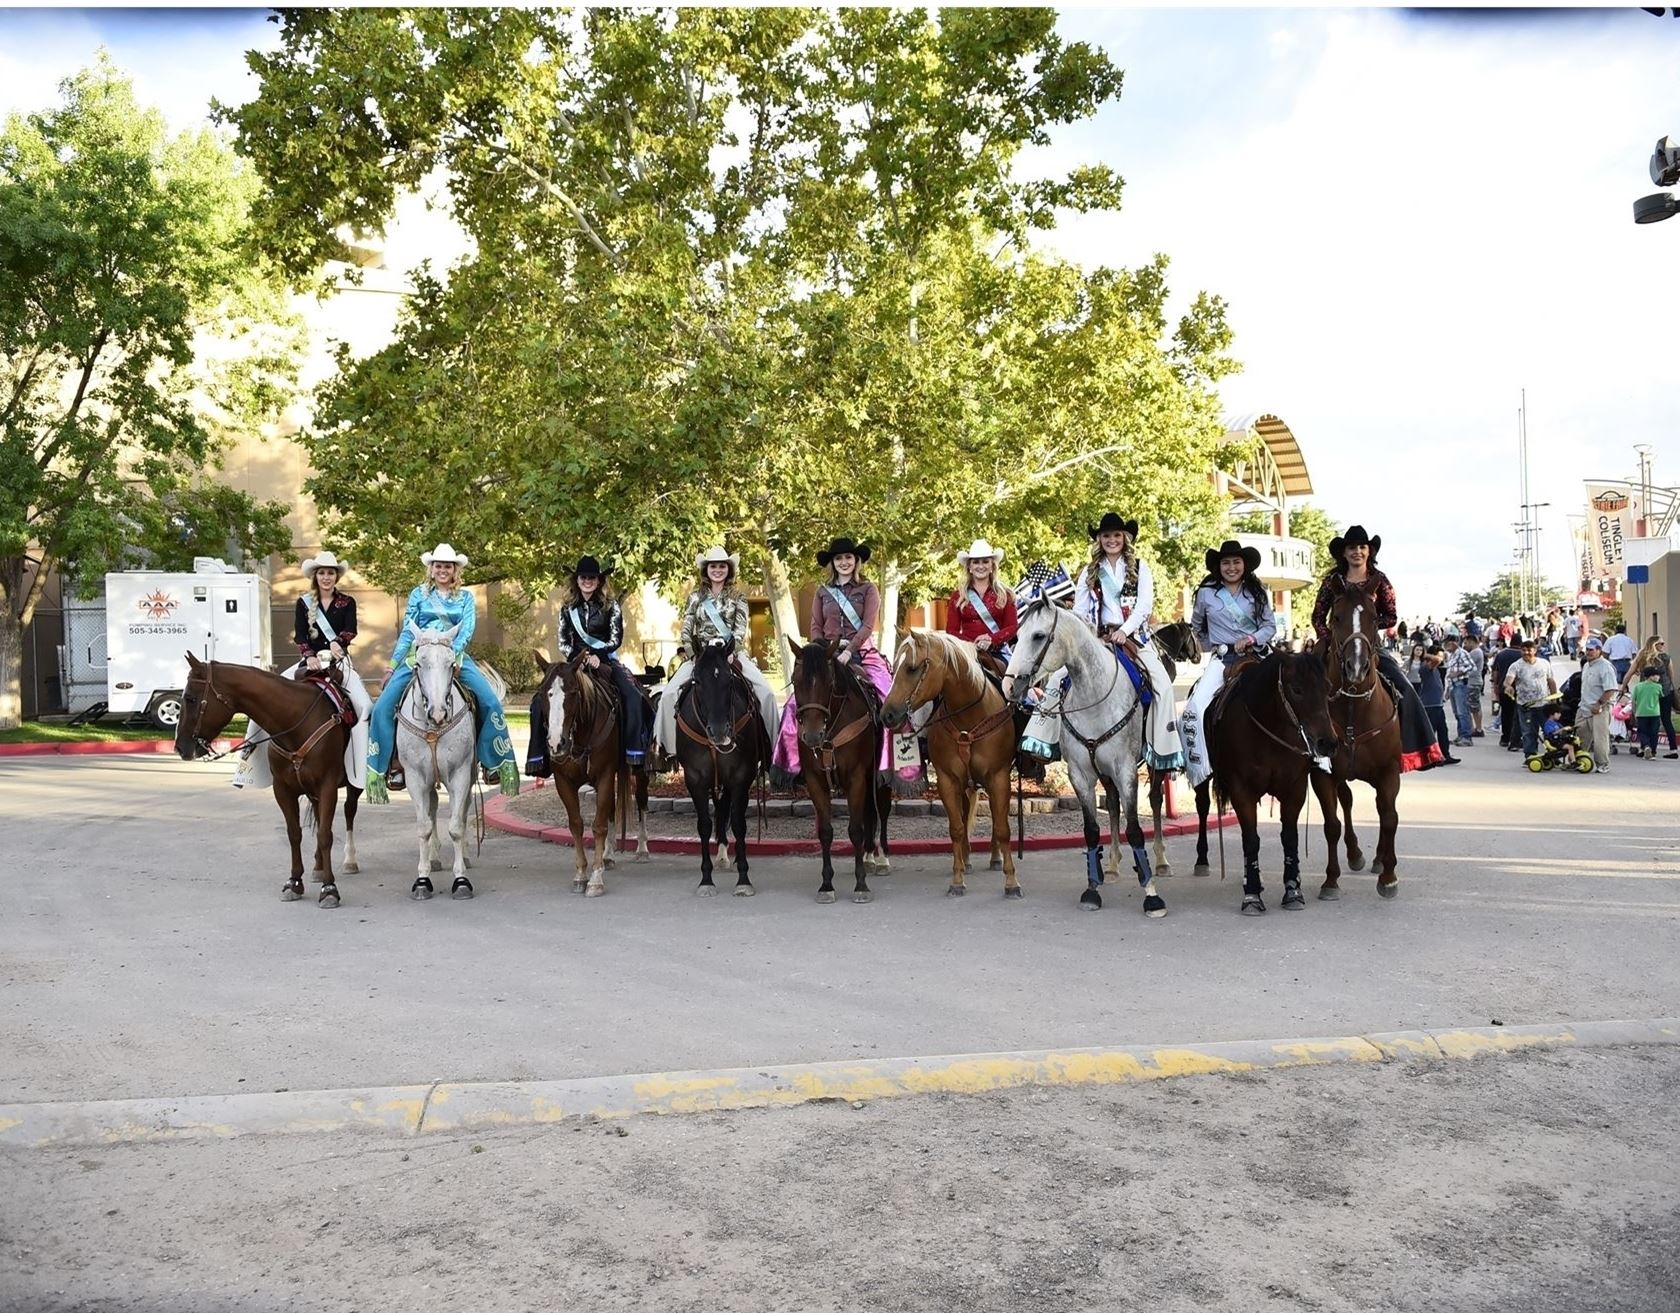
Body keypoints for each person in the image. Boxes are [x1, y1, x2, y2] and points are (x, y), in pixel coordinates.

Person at [366, 543, 518, 801]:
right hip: (419, 656)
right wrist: (391, 666)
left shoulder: (466, 598)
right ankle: (389, 768)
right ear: (431, 569)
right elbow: (407, 632)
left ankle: (492, 763)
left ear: (455, 570)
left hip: (453, 656)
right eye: (438, 566)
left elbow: (467, 630)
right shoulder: (418, 594)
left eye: (447, 566)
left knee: (490, 700)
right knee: (382, 708)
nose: (442, 570)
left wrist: (453, 655)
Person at [232, 550, 371, 791]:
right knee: (265, 696)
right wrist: (308, 656)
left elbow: (350, 630)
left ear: (336, 577)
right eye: (322, 573)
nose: (326, 577)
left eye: (330, 573)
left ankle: (361, 770)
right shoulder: (303, 602)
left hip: (339, 662)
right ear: (315, 576)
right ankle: (246, 764)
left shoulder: (347, 602)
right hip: (308, 663)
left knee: (365, 705)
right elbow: (300, 635)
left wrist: (339, 642)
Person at [1309, 524, 1444, 770]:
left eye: (1362, 547)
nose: (1357, 552)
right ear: (1344, 553)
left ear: (1369, 551)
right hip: (1335, 642)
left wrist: (1363, 628)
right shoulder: (1332, 581)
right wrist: (1331, 635)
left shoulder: (1379, 581)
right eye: (1352, 547)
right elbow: (1318, 616)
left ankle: (1416, 749)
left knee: (1404, 687)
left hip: (1370, 643)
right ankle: (1304, 752)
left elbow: (1391, 616)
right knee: (1303, 686)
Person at [772, 536, 894, 781]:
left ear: (856, 561)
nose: (844, 562)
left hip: (861, 652)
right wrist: (819, 652)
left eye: (848, 557)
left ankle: (891, 765)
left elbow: (869, 625)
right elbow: (816, 626)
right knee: (794, 705)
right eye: (839, 558)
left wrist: (850, 650)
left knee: (889, 699)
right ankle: (791, 766)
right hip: (826, 654)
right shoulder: (822, 592)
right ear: (833, 563)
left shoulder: (868, 590)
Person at [1073, 512, 1184, 771]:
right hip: (1097, 638)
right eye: (1106, 535)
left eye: (1116, 535)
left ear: (1125, 538)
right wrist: (1089, 634)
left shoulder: (1140, 567)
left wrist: (1124, 630)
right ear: (1099, 540)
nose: (1111, 540)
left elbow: (1144, 606)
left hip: (1133, 637)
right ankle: (1048, 742)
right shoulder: (1089, 572)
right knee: (1060, 680)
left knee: (1163, 686)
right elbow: (1079, 609)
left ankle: (1163, 750)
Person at [524, 555, 652, 776]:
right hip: (574, 663)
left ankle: (634, 752)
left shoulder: (611, 606)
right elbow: (563, 641)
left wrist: (598, 656)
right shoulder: (567, 608)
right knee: (539, 700)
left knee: (632, 694)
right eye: (584, 577)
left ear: (599, 580)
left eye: (592, 577)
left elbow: (616, 637)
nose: (588, 581)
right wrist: (580, 658)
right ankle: (538, 758)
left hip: (605, 660)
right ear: (577, 579)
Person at [653, 546, 779, 760]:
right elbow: (687, 629)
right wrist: (694, 654)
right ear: (706, 570)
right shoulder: (695, 597)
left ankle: (773, 754)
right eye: (713, 566)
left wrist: (732, 651)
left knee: (766, 694)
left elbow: (740, 630)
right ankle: (668, 752)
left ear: (729, 570)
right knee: (667, 696)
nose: (718, 570)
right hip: (702, 655)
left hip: (730, 653)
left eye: (722, 566)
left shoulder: (738, 597)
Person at [1179, 540, 1276, 788]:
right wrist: (1214, 645)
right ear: (1218, 566)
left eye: (1236, 562)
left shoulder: (1257, 591)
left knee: (1294, 697)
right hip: (1222, 659)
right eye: (1226, 563)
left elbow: (1269, 626)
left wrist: (1252, 638)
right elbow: (1198, 626)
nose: (1231, 567)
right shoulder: (1206, 593)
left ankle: (1315, 759)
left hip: (1257, 656)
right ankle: (1200, 768)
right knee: (1193, 711)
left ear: (1244, 565)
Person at [1014, 562, 1077, 761]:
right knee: (1057, 678)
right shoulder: (1087, 579)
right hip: (1089, 641)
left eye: (1071, 599)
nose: (1070, 603)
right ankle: (1041, 739)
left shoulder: (1137, 571)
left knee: (1159, 682)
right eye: (1067, 600)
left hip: (1129, 638)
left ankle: (1162, 741)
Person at [944, 539, 1018, 669]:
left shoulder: (1006, 595)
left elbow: (1012, 627)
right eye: (976, 562)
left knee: (1013, 682)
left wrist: (991, 639)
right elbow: (951, 630)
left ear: (992, 566)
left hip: (997, 652)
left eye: (985, 561)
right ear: (969, 567)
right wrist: (972, 644)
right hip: (966, 653)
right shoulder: (958, 596)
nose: (981, 566)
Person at [1502, 637, 1558, 761]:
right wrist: (1508, 687)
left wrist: (1554, 699)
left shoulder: (1544, 663)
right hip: (1525, 705)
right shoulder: (1516, 666)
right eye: (1523, 650)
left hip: (1543, 704)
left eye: (1529, 650)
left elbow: (1551, 681)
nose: (1526, 652)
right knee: (1528, 732)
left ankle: (1554, 756)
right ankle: (1531, 756)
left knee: (1550, 730)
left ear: (1535, 650)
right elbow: (1508, 681)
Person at [1574, 637, 1617, 773]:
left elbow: (1610, 689)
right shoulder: (1586, 665)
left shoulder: (1605, 667)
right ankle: (1580, 761)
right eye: (1587, 649)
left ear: (1599, 651)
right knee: (1580, 735)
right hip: (1584, 706)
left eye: (1591, 650)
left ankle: (1602, 764)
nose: (1588, 652)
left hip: (1600, 708)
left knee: (1600, 738)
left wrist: (1598, 703)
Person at [1441, 633, 1477, 747]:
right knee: (1457, 713)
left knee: (1462, 712)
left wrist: (1459, 673)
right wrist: (1447, 690)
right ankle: (1461, 735)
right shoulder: (1452, 655)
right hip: (1453, 685)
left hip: (1460, 684)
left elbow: (1471, 666)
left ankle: (1466, 737)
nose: (1446, 646)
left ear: (1453, 643)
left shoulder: (1462, 653)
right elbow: (1449, 673)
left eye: (1447, 643)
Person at [1490, 632, 1524, 751]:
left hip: (1504, 687)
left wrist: (1495, 686)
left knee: (1506, 714)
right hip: (1520, 689)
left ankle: (1505, 738)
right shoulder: (1523, 655)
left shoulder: (1501, 654)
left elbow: (1495, 672)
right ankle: (1517, 739)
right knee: (1519, 714)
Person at [1631, 664, 1667, 760]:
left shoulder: (1638, 687)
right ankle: (1653, 752)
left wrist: (1634, 712)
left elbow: (1633, 701)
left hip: (1641, 713)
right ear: (1650, 676)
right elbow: (1661, 697)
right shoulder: (1658, 687)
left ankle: (1646, 746)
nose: (1658, 677)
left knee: (1643, 732)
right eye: (1657, 675)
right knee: (1654, 733)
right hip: (1655, 713)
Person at [1463, 631, 1487, 737]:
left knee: (1474, 707)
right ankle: (1476, 728)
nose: (1465, 645)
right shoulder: (1477, 652)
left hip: (1473, 682)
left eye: (1467, 643)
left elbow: (1466, 665)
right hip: (1474, 682)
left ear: (1472, 642)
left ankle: (1478, 728)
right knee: (1473, 706)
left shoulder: (1475, 652)